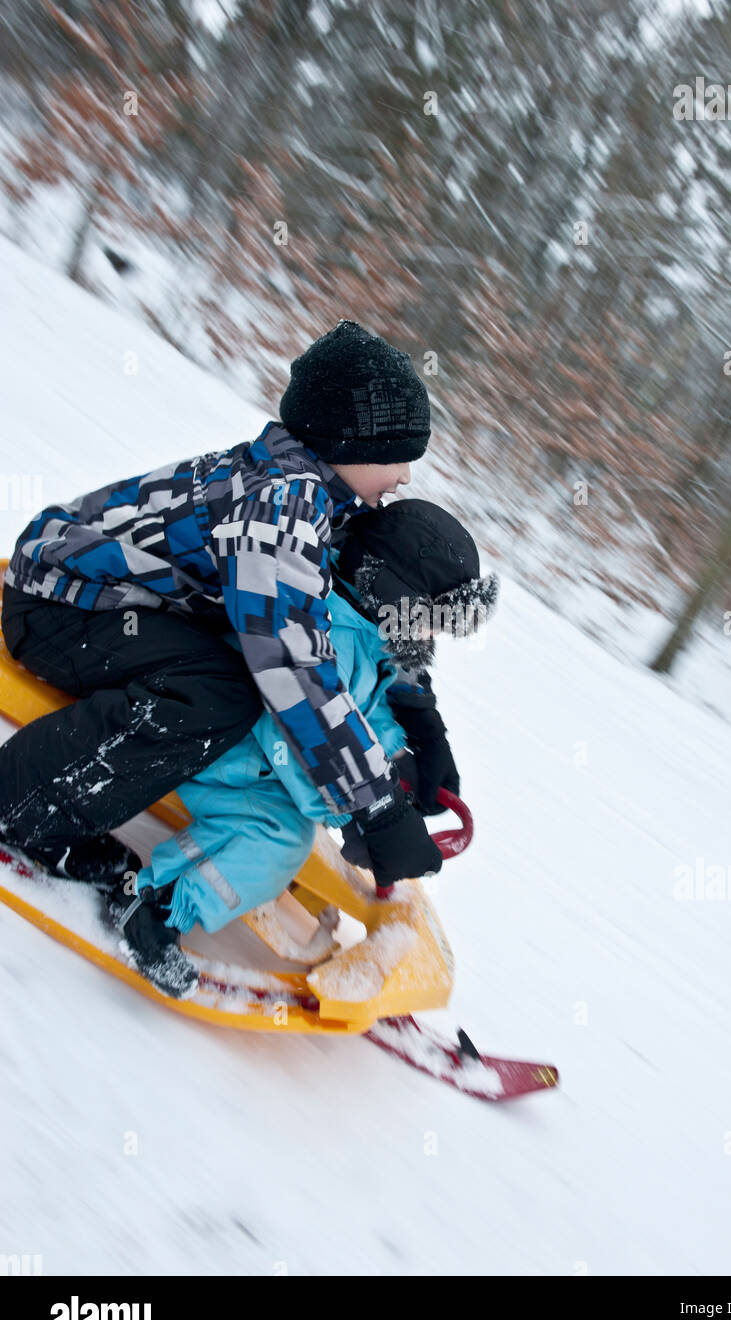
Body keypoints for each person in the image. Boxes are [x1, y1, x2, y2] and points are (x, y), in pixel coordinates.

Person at [0, 322, 456, 988]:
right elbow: (297, 672)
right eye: (397, 456)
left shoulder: (313, 491)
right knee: (220, 694)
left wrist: (419, 716)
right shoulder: (278, 512)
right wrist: (375, 806)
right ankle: (25, 809)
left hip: (116, 601)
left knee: (228, 681)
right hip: (59, 606)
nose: (405, 475)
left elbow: (353, 615)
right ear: (350, 444)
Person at [116, 499, 498, 996]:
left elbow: (362, 711)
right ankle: (158, 908)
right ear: (392, 592)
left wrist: (395, 764)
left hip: (262, 750)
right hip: (233, 752)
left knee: (296, 822)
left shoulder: (363, 625)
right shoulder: (330, 633)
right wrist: (356, 813)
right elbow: (297, 745)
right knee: (280, 836)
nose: (429, 637)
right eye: (429, 621)